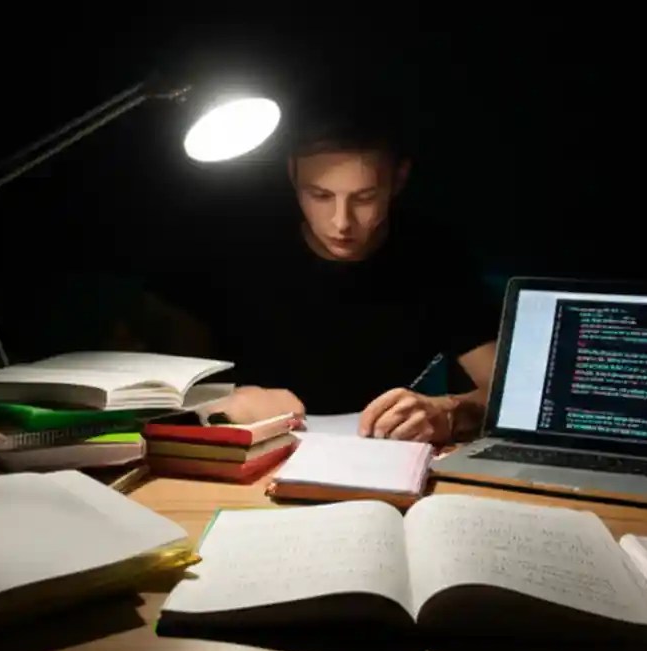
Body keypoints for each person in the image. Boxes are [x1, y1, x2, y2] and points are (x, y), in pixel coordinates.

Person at [148, 95, 499, 444]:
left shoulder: (433, 257)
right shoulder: (234, 244)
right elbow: (164, 386)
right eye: (319, 195)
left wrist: (450, 412)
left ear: (399, 179)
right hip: (241, 452)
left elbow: (511, 397)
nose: (341, 222)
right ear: (292, 173)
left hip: (375, 457)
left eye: (364, 198)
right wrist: (217, 402)